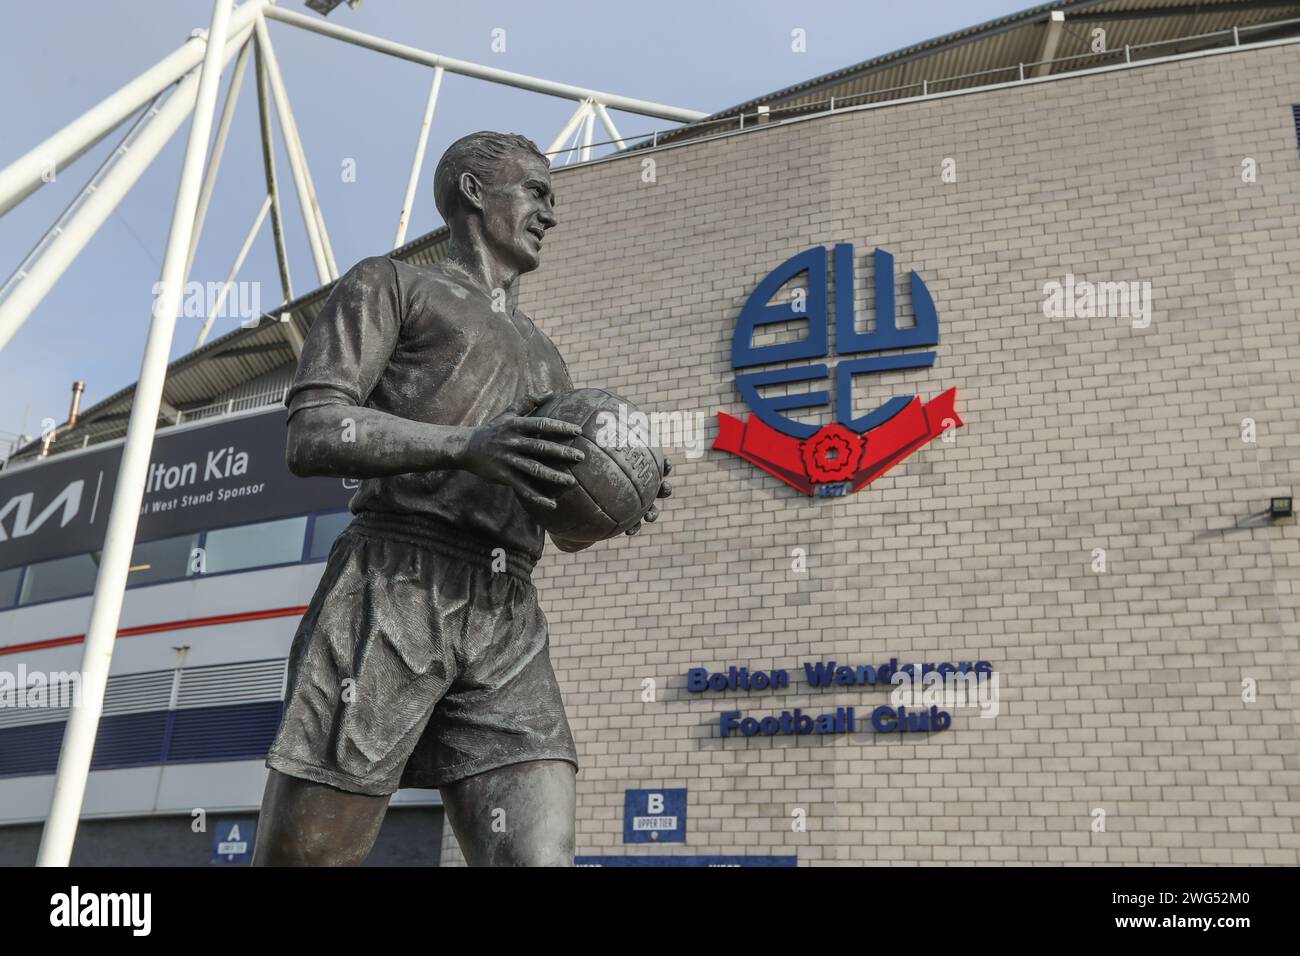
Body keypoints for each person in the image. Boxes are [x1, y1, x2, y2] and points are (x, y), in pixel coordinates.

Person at [251, 131, 671, 866]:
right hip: (395, 581)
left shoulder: (545, 353)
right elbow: (313, 431)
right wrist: (464, 445)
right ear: (474, 193)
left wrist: (615, 503)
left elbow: (560, 523)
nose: (551, 213)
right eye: (536, 192)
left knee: (537, 859)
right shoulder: (390, 285)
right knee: (310, 859)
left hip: (507, 606)